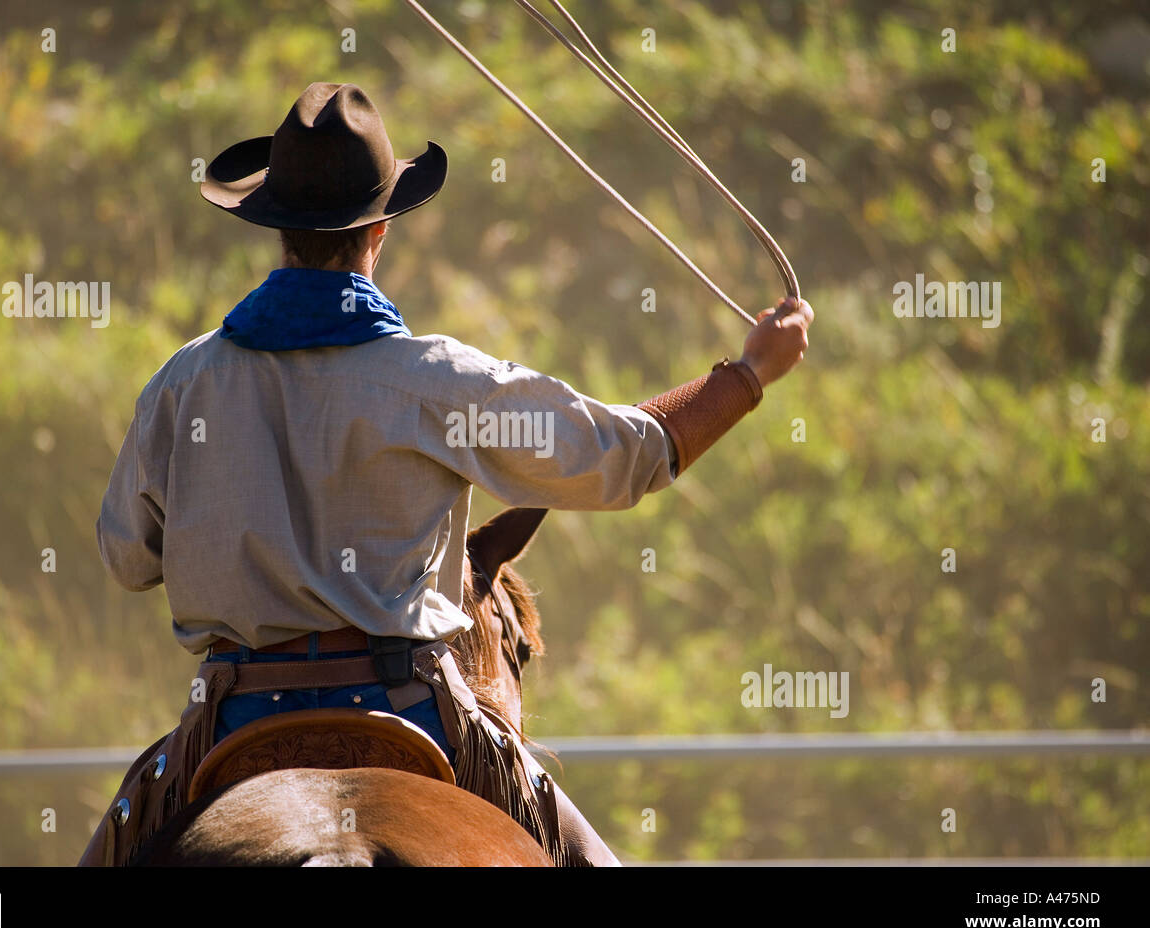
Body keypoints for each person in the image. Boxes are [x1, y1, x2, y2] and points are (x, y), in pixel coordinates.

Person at [80, 81, 812, 867]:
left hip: (230, 719)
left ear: (273, 224)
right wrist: (747, 376)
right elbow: (620, 457)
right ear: (381, 228)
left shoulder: (183, 384)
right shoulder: (435, 380)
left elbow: (128, 560)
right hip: (412, 705)